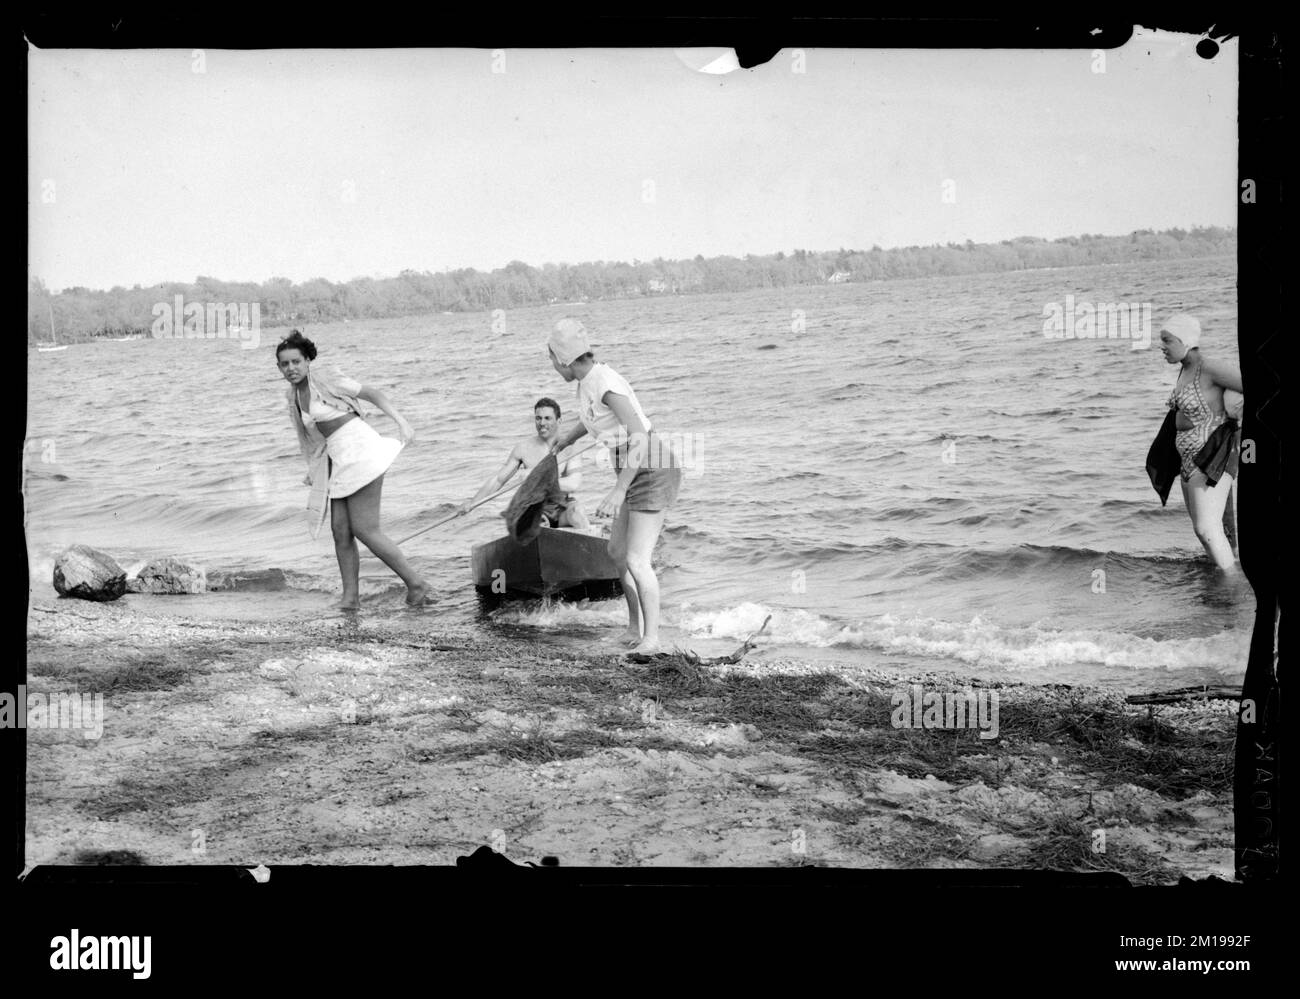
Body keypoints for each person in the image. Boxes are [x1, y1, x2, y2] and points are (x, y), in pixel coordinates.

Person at [544, 318, 682, 653]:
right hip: (633, 467)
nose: (552, 367)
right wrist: (566, 439)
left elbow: (638, 435)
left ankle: (652, 640)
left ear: (563, 359)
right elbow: (592, 418)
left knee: (637, 558)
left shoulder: (604, 381)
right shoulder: (587, 383)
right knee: (616, 552)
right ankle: (635, 628)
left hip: (651, 466)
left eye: (551, 360)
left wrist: (619, 490)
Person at [276, 330, 434, 609]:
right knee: (340, 530)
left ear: (308, 360)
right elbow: (312, 439)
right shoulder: (294, 396)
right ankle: (351, 598)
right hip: (340, 460)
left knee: (365, 528)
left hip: (363, 452)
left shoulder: (326, 379)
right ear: (279, 367)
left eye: (296, 362)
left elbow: (373, 394)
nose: (291, 368)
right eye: (285, 364)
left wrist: (402, 423)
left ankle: (416, 584)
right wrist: (313, 469)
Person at [1158, 314, 1243, 571]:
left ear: (1185, 340)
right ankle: (1225, 575)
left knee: (1207, 528)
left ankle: (1232, 584)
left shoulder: (1210, 368)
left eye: (1167, 340)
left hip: (1210, 456)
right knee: (1203, 531)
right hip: (1188, 460)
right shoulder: (1185, 370)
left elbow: (1258, 386)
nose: (1161, 346)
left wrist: (1235, 413)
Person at [455, 398, 591, 529]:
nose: (542, 423)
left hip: (561, 507)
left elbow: (574, 483)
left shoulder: (570, 446)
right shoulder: (523, 448)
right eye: (538, 418)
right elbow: (498, 480)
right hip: (534, 510)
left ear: (559, 421)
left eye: (547, 418)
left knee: (577, 512)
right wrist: (473, 503)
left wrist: (536, 477)